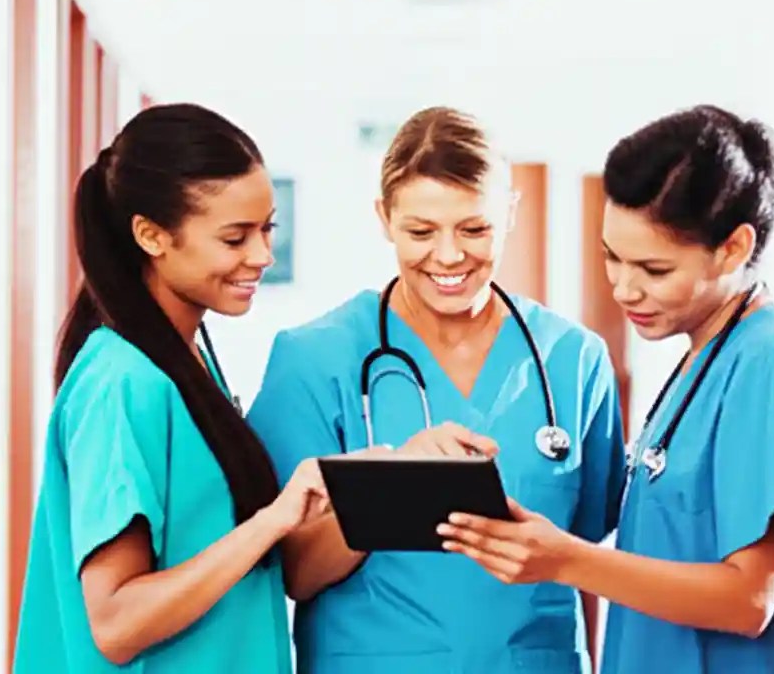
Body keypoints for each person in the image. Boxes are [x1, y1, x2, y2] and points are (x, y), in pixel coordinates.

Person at [438, 105, 774, 673]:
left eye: (654, 269)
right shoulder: (704, 356)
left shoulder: (769, 360)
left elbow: (749, 598)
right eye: (612, 258)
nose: (624, 288)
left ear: (734, 248)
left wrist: (564, 560)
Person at [247, 106, 628, 673]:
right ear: (383, 217)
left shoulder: (573, 359)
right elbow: (294, 573)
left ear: (511, 212)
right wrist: (391, 485)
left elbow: (584, 550)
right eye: (420, 231)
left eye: (474, 228)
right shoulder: (315, 359)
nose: (449, 256)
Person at [13, 103, 328, 673]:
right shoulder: (122, 382)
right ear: (152, 236)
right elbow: (116, 621)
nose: (262, 255)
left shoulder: (188, 355)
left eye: (267, 229)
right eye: (235, 238)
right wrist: (270, 522)